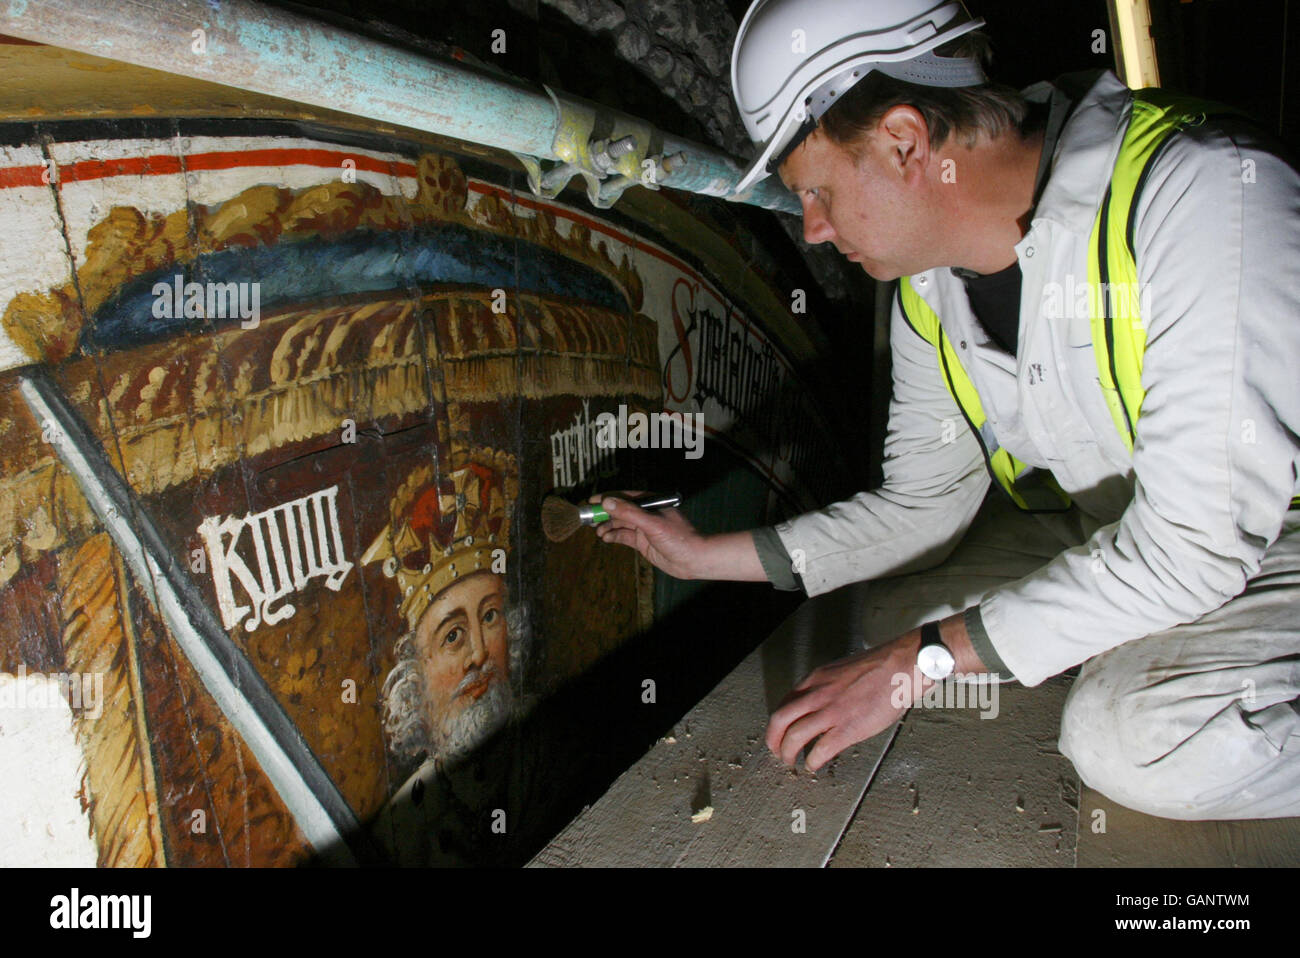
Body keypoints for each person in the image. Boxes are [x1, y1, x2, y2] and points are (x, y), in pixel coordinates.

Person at [595, 0, 1300, 820]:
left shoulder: (1202, 194)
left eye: (817, 190)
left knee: (1126, 737)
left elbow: (1192, 554)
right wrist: (701, 557)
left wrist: (917, 664)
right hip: (1135, 528)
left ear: (903, 141)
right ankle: (1134, 633)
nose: (813, 231)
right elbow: (923, 507)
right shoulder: (928, 285)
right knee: (890, 615)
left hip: (1266, 538)